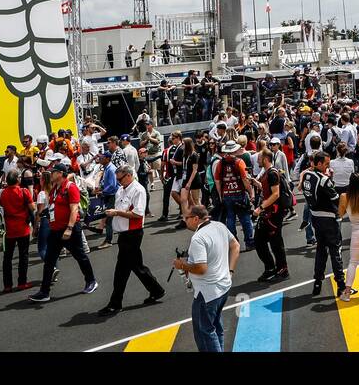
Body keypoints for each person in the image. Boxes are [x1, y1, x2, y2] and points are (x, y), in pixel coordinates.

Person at [97, 165, 166, 315]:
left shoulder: (138, 190)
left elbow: (137, 214)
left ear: (128, 175)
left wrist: (117, 212)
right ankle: (156, 290)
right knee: (137, 266)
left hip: (132, 233)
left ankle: (115, 303)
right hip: (124, 234)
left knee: (121, 270)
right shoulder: (121, 189)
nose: (118, 181)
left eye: (120, 179)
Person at [29, 163, 97, 303]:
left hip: (69, 230)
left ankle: (91, 281)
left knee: (80, 256)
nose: (50, 174)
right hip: (55, 230)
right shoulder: (55, 188)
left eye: (53, 172)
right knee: (49, 260)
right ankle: (44, 291)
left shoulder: (70, 187)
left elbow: (74, 210)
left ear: (60, 173)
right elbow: (53, 206)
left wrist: (70, 228)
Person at [175, 205, 238, 352]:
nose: (185, 221)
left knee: (205, 332)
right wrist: (231, 271)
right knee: (216, 326)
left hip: (206, 293)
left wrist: (182, 265)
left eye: (187, 218)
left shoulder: (198, 238)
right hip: (223, 286)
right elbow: (235, 245)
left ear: (196, 218)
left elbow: (201, 269)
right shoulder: (219, 226)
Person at [300, 151, 345, 297]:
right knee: (335, 251)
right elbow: (336, 198)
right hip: (329, 219)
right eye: (326, 164)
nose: (328, 166)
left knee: (320, 250)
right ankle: (341, 285)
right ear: (318, 163)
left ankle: (317, 282)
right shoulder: (324, 180)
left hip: (316, 218)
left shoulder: (307, 175)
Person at [251, 149, 290, 283]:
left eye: (259, 158)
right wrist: (258, 184)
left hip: (273, 214)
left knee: (275, 243)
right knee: (260, 241)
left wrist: (259, 208)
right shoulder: (268, 173)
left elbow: (275, 194)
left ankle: (281, 270)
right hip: (268, 213)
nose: (257, 160)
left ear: (266, 159)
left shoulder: (272, 173)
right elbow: (269, 190)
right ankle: (271, 268)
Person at [0, 170, 35, 292]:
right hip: (23, 228)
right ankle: (22, 282)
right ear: (18, 180)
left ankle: (7, 285)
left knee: (7, 258)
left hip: (9, 229)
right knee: (23, 256)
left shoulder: (2, 193)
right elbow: (32, 208)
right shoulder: (23, 191)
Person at [213, 141, 255, 248]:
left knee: (230, 219)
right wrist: (251, 193)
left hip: (226, 195)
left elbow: (217, 181)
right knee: (245, 218)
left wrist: (220, 194)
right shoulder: (239, 162)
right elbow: (245, 179)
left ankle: (234, 242)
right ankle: (249, 242)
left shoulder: (220, 163)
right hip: (239, 193)